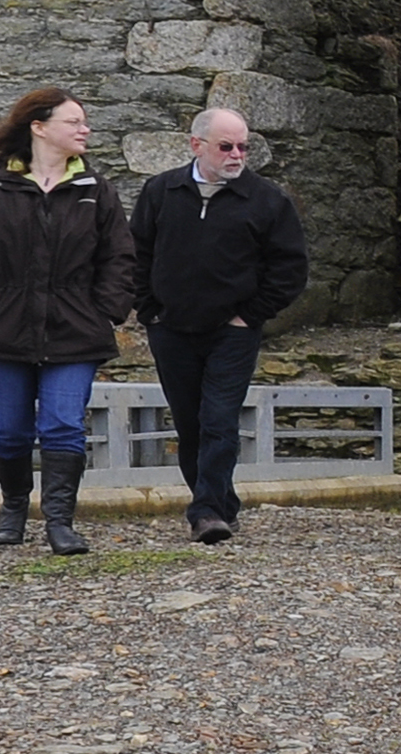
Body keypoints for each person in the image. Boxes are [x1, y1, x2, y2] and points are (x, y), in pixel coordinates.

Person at [0, 86, 134, 556]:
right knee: (8, 428)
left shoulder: (96, 190)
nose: (85, 129)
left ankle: (59, 521)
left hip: (75, 329)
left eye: (84, 121)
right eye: (74, 121)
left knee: (63, 425)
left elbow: (119, 256)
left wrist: (107, 309)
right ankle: (13, 506)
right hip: (2, 327)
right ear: (39, 127)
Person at [128, 104, 311, 544]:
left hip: (232, 331)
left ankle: (206, 511)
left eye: (243, 147)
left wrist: (250, 315)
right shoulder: (162, 191)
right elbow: (137, 253)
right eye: (226, 146)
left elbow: (290, 268)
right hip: (171, 328)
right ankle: (220, 501)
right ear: (197, 145)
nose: (236, 156)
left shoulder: (267, 200)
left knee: (219, 418)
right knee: (190, 422)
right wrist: (149, 308)